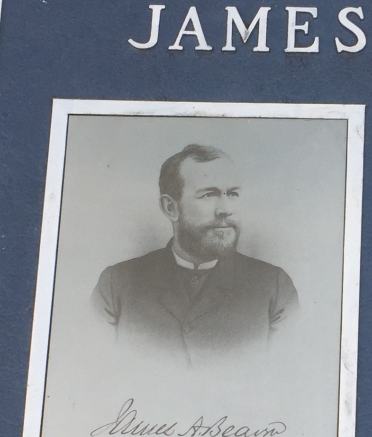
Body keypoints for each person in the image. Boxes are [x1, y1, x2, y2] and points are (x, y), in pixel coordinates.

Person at [93, 144, 298, 365]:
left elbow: (285, 380)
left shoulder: (274, 286)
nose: (225, 209)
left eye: (232, 193)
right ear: (170, 208)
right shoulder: (116, 284)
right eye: (209, 195)